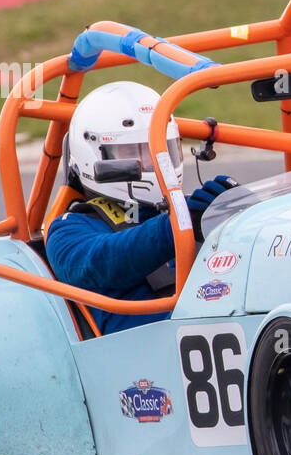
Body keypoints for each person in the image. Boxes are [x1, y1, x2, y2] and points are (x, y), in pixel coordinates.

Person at [45, 81, 237, 335]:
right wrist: (179, 224)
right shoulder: (68, 229)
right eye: (133, 152)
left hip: (218, 325)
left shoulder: (187, 208)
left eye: (159, 149)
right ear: (92, 156)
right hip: (140, 357)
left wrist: (235, 208)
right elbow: (101, 263)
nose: (151, 163)